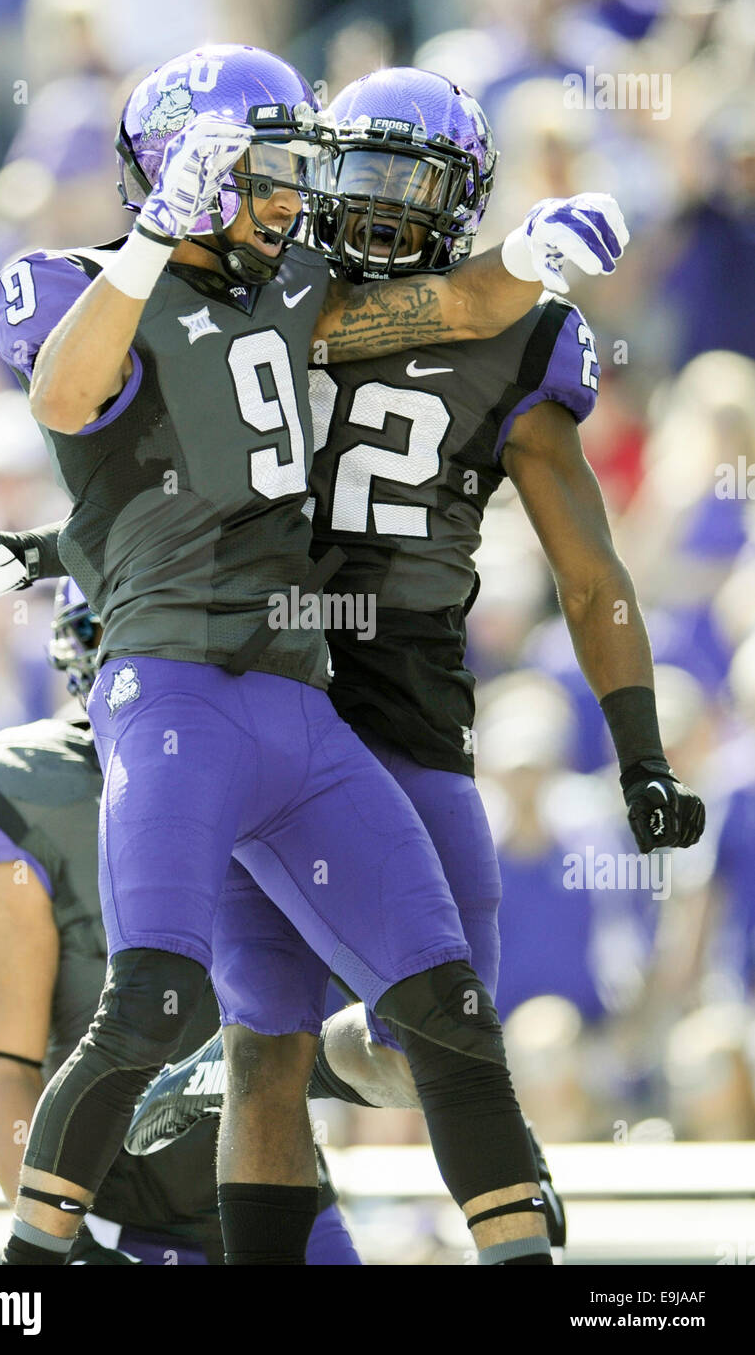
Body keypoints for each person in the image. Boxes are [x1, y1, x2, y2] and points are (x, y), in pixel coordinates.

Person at [0, 42, 629, 1267]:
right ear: (174, 174)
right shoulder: (64, 280)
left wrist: (527, 253)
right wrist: (149, 240)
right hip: (175, 687)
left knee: (452, 1019)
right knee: (153, 1006)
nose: (298, 201)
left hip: (301, 698)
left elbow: (446, 310)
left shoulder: (292, 287)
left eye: (300, 171)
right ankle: (26, 1282)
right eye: (272, 172)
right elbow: (68, 401)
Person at [111, 65, 702, 1207]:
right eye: (361, 170)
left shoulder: (517, 337)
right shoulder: (272, 286)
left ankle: (239, 1077)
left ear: (461, 196)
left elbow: (591, 574)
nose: (380, 202)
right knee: (265, 1049)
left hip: (410, 692)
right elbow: (138, 454)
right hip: (262, 673)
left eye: (408, 177)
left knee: (438, 1042)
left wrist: (640, 749)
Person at [0, 578, 360, 1265]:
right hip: (121, 1225)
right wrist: (60, 1243)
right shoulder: (24, 790)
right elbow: (0, 1062)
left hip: (291, 1198)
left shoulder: (280, 765)